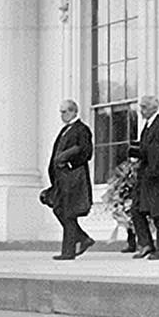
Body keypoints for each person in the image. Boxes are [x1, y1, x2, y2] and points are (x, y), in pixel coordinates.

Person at [46, 99, 95, 260]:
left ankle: (69, 251)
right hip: (62, 179)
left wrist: (69, 162)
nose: (62, 115)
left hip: (74, 178)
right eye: (61, 112)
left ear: (74, 111)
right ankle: (82, 239)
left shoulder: (82, 129)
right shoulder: (65, 130)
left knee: (68, 212)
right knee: (59, 209)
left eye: (65, 111)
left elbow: (86, 152)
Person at [131, 95, 159, 260]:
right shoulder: (147, 127)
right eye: (141, 107)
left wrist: (156, 165)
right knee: (136, 210)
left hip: (158, 176)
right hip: (145, 176)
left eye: (144, 107)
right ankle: (146, 244)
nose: (140, 110)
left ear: (153, 108)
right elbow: (148, 149)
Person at [102, 146, 140, 253]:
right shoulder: (124, 166)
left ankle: (142, 243)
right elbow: (116, 179)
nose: (133, 159)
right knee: (128, 222)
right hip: (125, 196)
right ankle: (131, 243)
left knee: (139, 222)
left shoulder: (140, 167)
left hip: (137, 196)